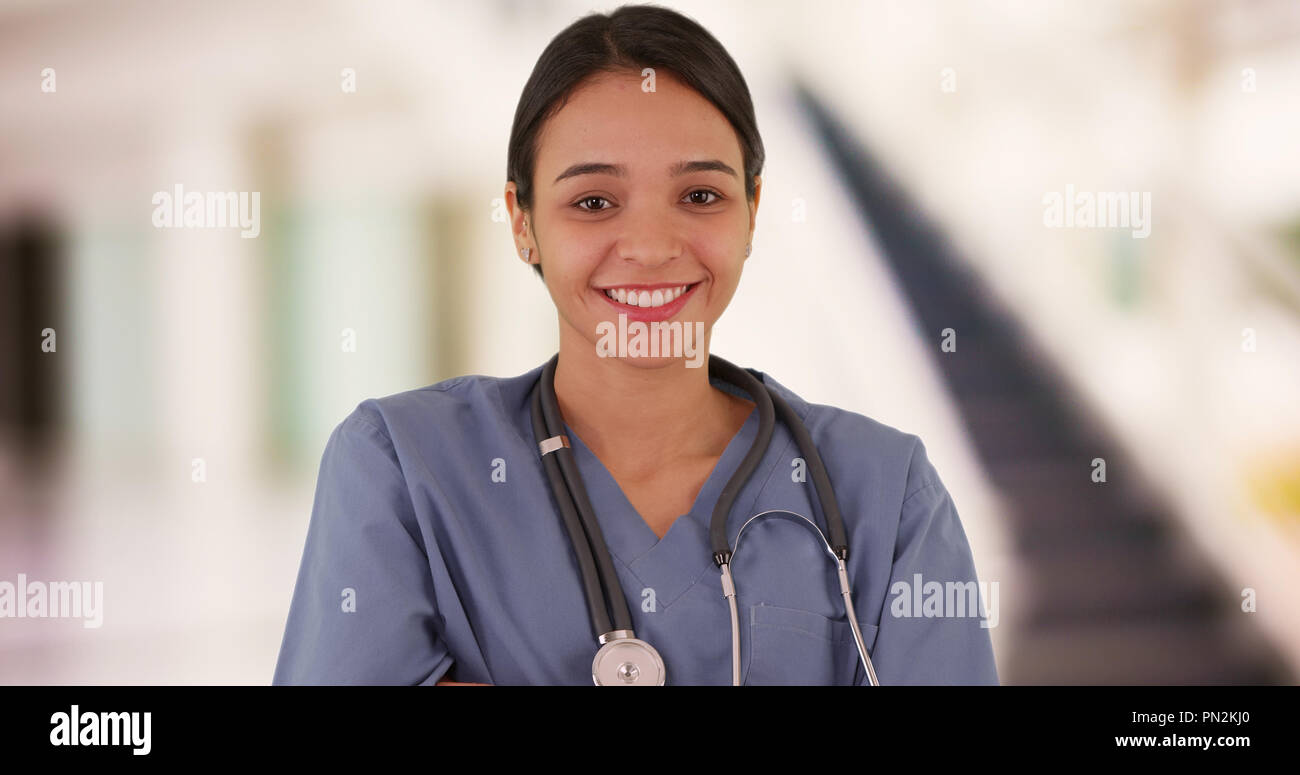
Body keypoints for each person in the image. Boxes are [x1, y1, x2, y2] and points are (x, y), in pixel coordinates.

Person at [273, 3, 998, 686]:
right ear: (521, 221)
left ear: (753, 213)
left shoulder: (886, 495)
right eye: (593, 202)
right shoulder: (402, 466)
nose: (651, 247)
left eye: (700, 196)